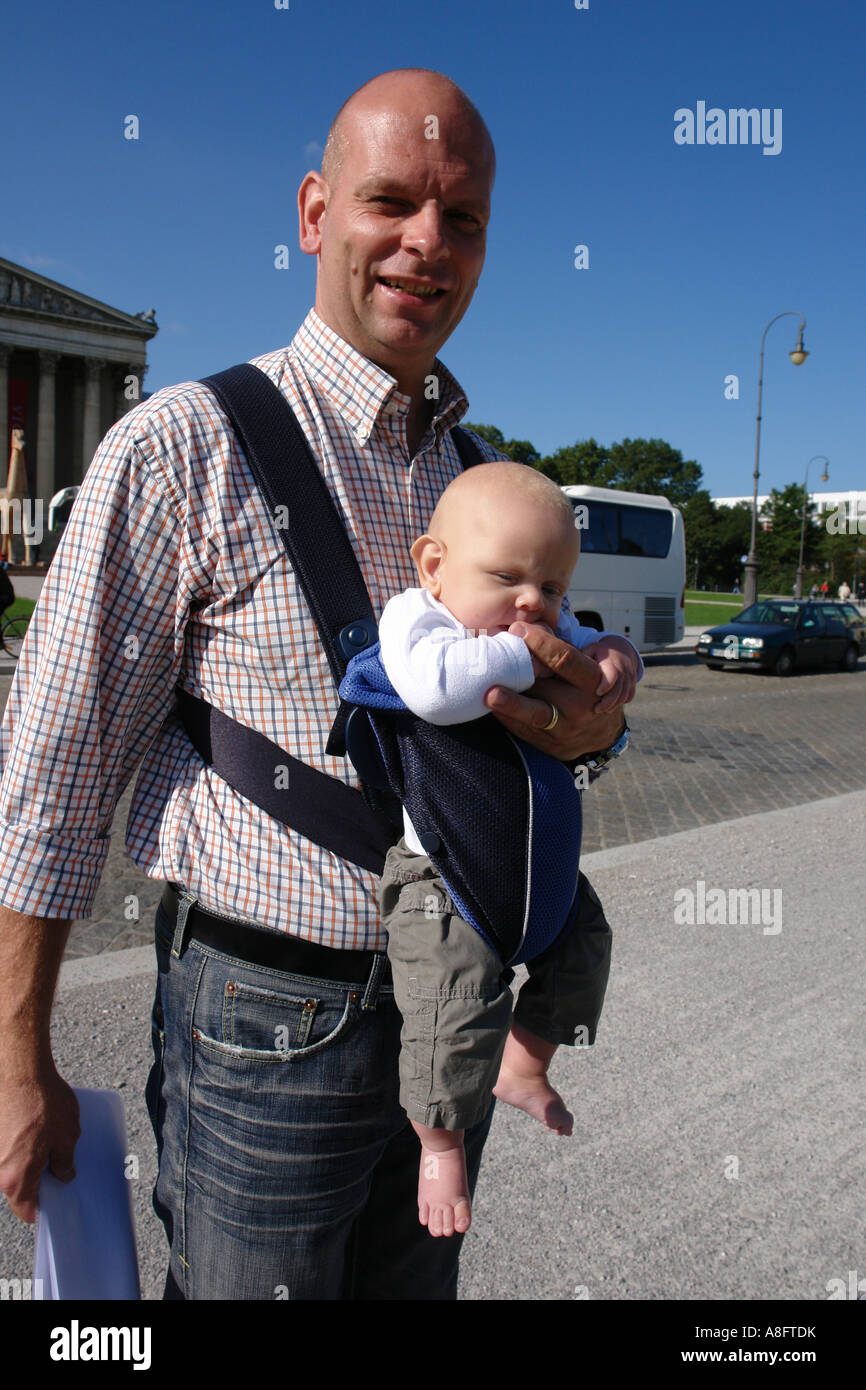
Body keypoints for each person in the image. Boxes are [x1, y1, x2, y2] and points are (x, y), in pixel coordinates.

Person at [0, 69, 628, 1300]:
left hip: (447, 1016)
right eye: (389, 202)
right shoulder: (180, 442)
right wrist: (17, 1056)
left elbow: (540, 733)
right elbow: (52, 781)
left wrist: (586, 726)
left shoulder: (485, 471)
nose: (424, 245)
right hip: (267, 1027)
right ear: (311, 212)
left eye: (462, 220)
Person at [339, 460, 640, 1236]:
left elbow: (592, 656)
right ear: (435, 566)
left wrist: (614, 659)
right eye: (507, 577)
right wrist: (534, 656)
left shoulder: (527, 620)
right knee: (452, 1001)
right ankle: (440, 1144)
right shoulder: (418, 622)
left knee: (588, 947)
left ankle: (526, 1059)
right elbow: (436, 690)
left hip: (538, 876)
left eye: (554, 590)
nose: (533, 603)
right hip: (441, 881)